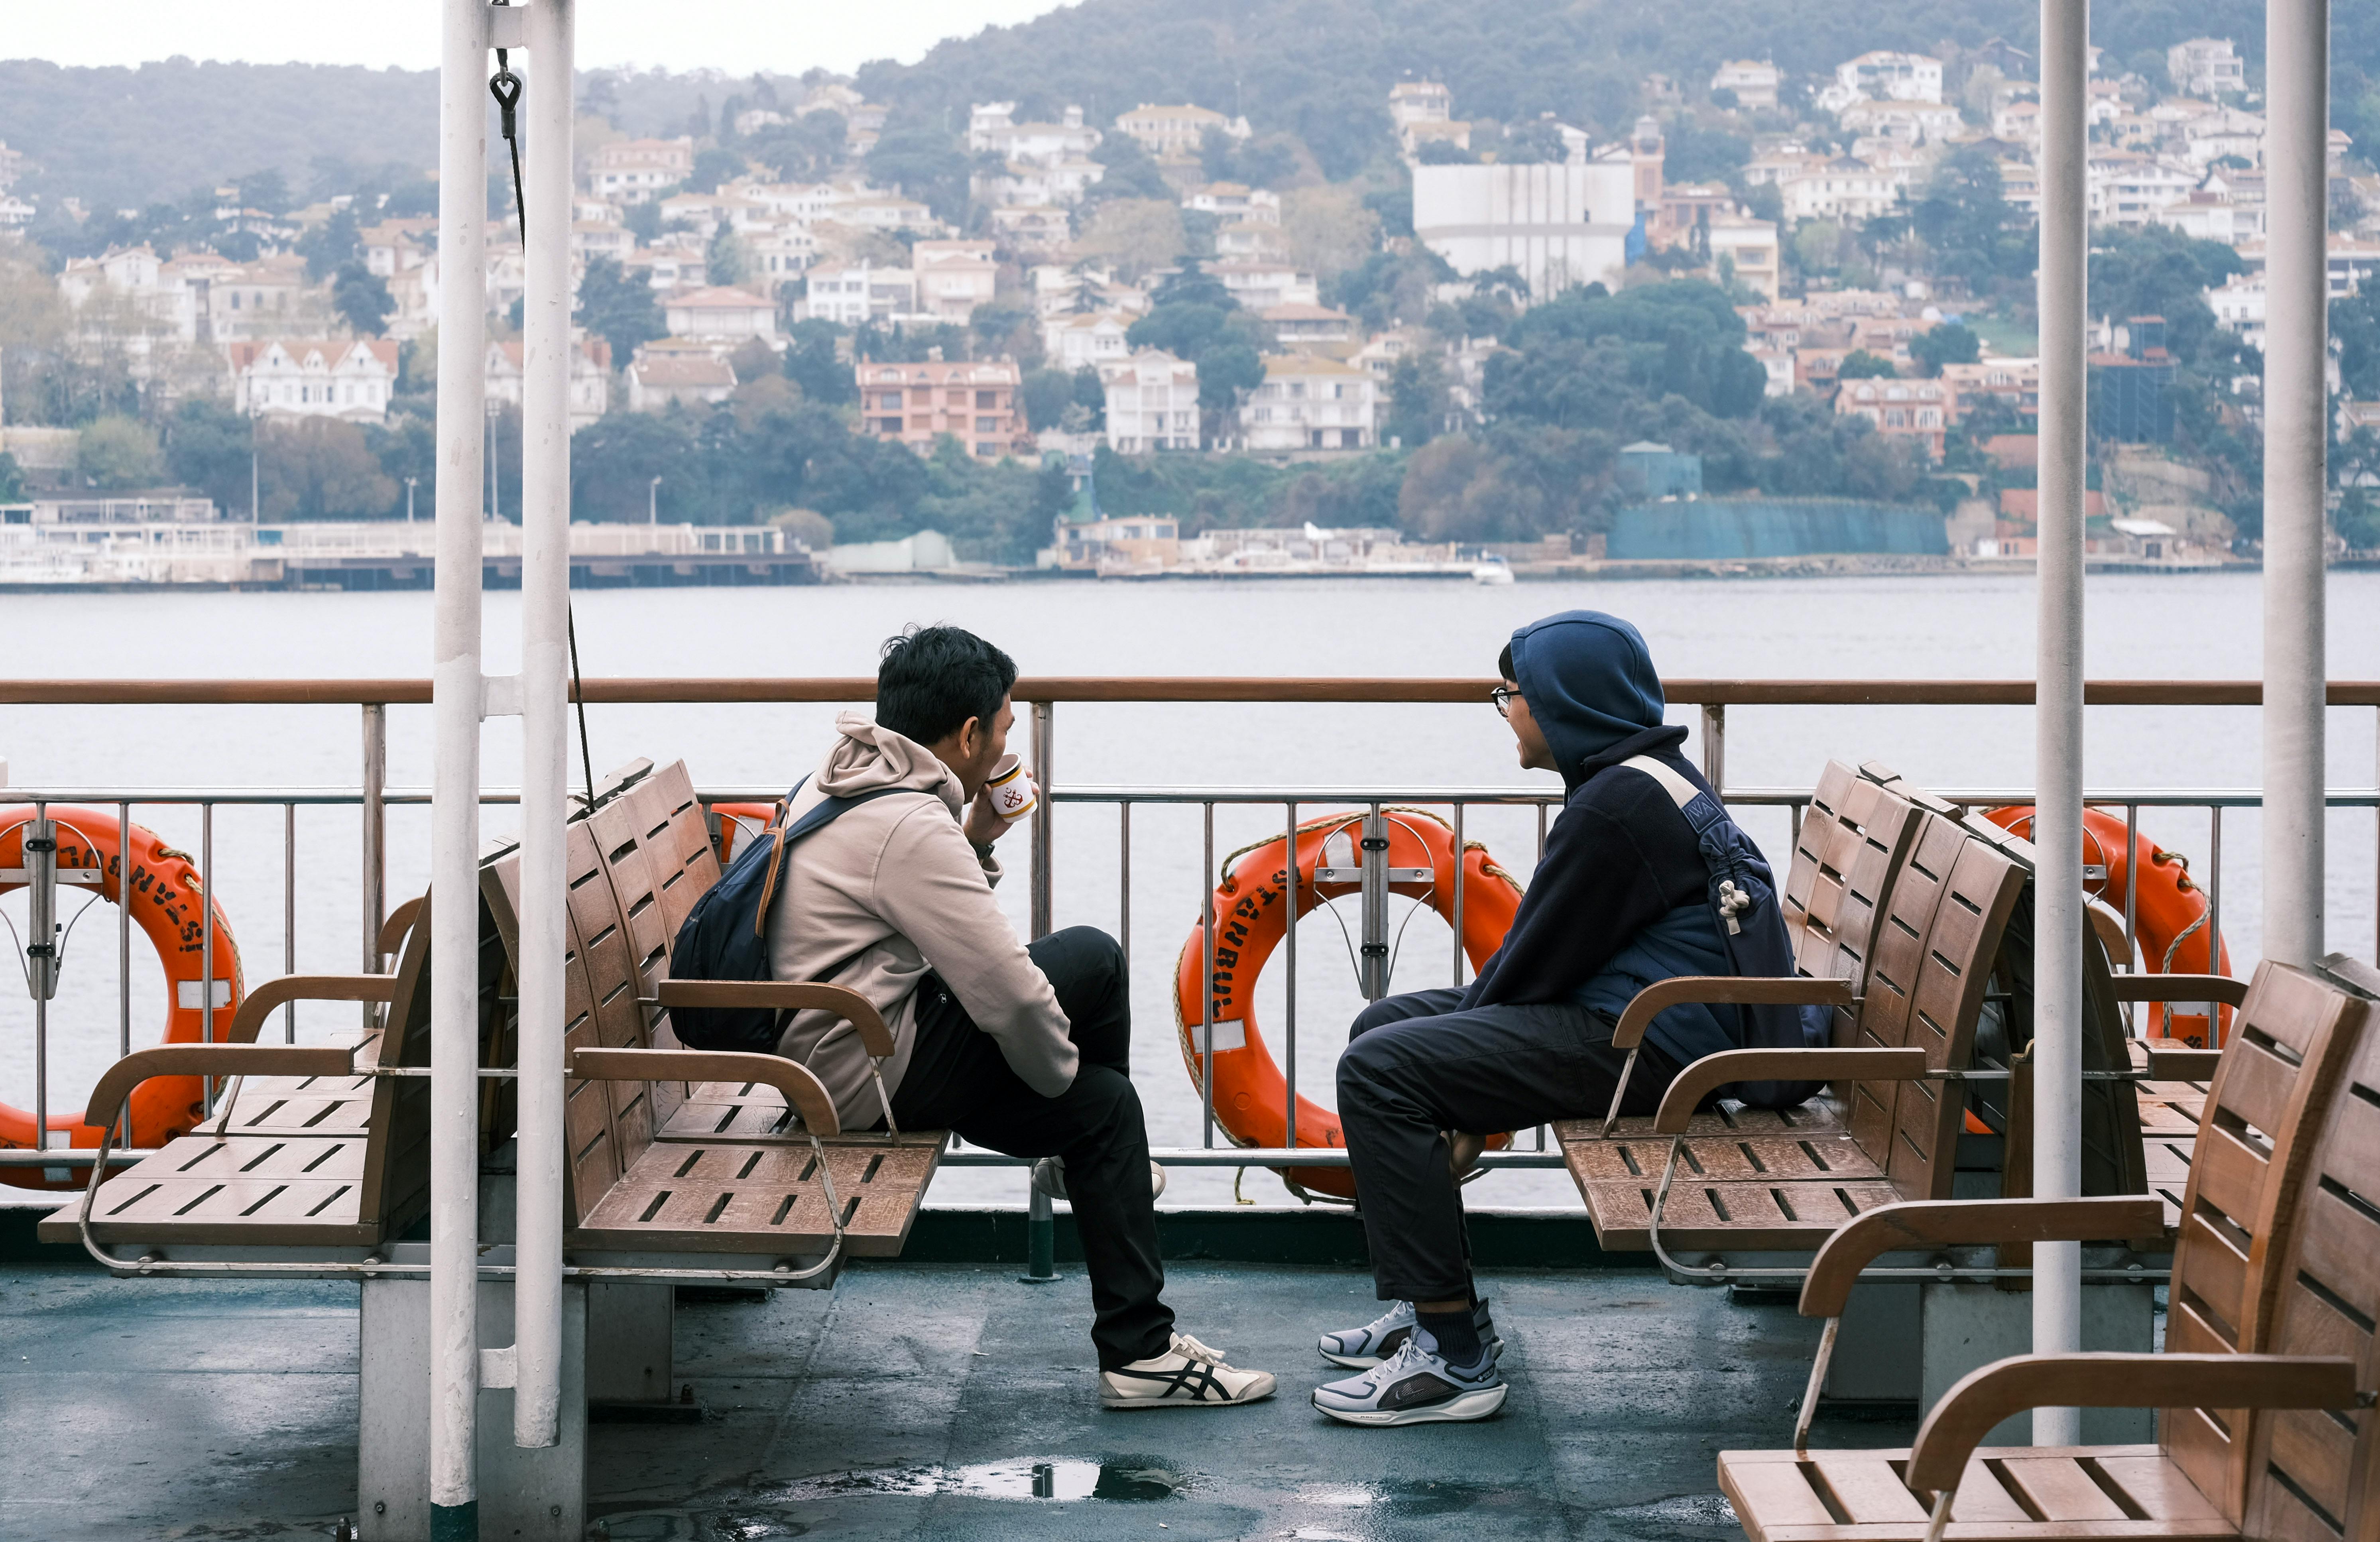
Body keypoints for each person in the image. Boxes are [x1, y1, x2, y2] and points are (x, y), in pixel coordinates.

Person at [767, 624, 1275, 1410]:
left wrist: (975, 836)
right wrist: (1057, 1083)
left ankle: (1136, 1335)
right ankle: (1105, 1209)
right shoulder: (907, 823)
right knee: (1095, 971)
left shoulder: (841, 782)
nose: (1007, 742)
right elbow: (1007, 993)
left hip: (835, 1046)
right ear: (969, 734)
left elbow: (901, 917)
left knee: (1106, 1108)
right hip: (863, 1068)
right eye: (1004, 728)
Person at [1311, 609, 1796, 1426]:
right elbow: (1541, 962)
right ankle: (1428, 1305)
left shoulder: (1616, 809)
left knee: (1379, 1067)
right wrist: (1450, 1058)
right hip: (1648, 1020)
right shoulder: (1643, 778)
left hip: (1656, 1045)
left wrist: (1453, 1083)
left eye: (1514, 693)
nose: (1508, 710)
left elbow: (1533, 962)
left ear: (1565, 702)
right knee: (1382, 1030)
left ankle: (1454, 1357)